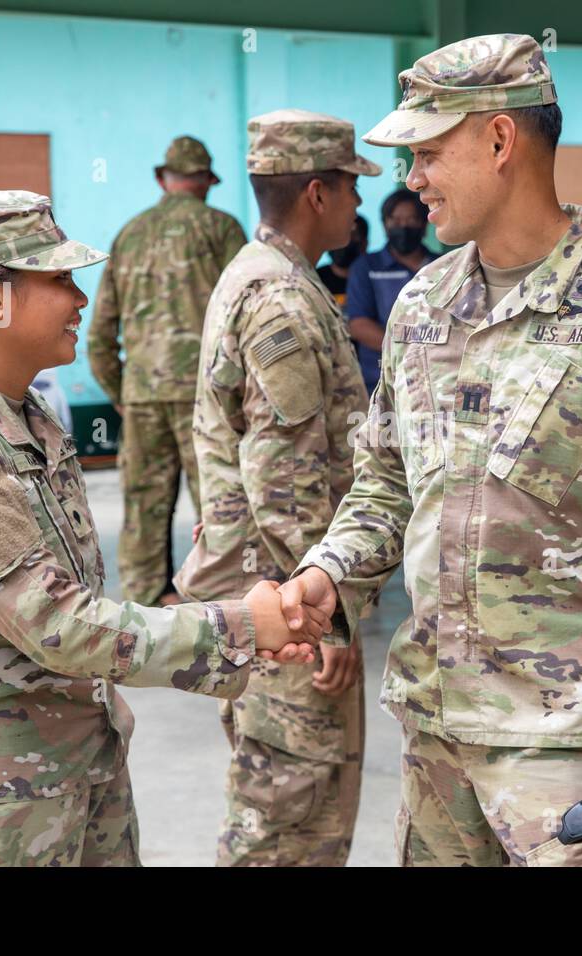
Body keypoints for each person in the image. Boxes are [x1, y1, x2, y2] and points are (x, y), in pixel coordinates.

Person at [278, 34, 582, 867]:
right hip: (436, 730)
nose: (412, 180)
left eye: (427, 151)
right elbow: (386, 483)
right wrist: (328, 573)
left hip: (568, 747)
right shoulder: (423, 307)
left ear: (499, 140)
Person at [0, 191, 322, 867]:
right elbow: (58, 623)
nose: (81, 299)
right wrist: (246, 626)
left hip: (68, 775)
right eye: (58, 279)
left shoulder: (26, 421)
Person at [174, 110, 378, 866]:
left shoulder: (263, 276)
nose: (361, 205)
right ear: (318, 193)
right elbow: (284, 480)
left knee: (287, 805)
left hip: (262, 594)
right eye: (353, 188)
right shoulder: (282, 298)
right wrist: (324, 619)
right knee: (288, 818)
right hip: (283, 610)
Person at [89, 136, 246, 607]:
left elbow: (99, 333)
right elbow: (248, 310)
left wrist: (122, 391)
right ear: (205, 181)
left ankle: (142, 607)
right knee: (219, 502)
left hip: (141, 394)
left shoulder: (128, 234)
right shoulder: (222, 229)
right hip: (206, 394)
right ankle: (220, 601)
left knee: (142, 506)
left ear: (164, 178)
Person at [345, 189, 438, 394]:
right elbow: (359, 325)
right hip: (381, 385)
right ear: (385, 225)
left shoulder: (443, 267)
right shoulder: (367, 267)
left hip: (435, 383)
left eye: (411, 219)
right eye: (395, 220)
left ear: (424, 224)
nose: (403, 226)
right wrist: (413, 351)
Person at [318, 215, 368, 306]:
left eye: (352, 236)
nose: (343, 243)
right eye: (336, 236)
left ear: (364, 244)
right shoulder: (316, 279)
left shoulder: (374, 279)